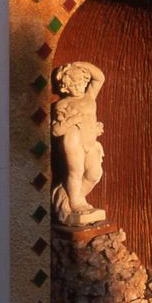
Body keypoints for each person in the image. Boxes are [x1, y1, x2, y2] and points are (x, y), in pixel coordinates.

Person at [51, 62, 105, 224]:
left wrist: (80, 65)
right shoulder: (63, 104)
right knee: (76, 171)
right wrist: (71, 121)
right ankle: (76, 202)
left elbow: (100, 78)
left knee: (94, 173)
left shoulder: (89, 96)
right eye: (73, 84)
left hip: (90, 141)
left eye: (81, 82)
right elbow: (56, 131)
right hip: (73, 141)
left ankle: (69, 196)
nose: (78, 86)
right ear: (65, 87)